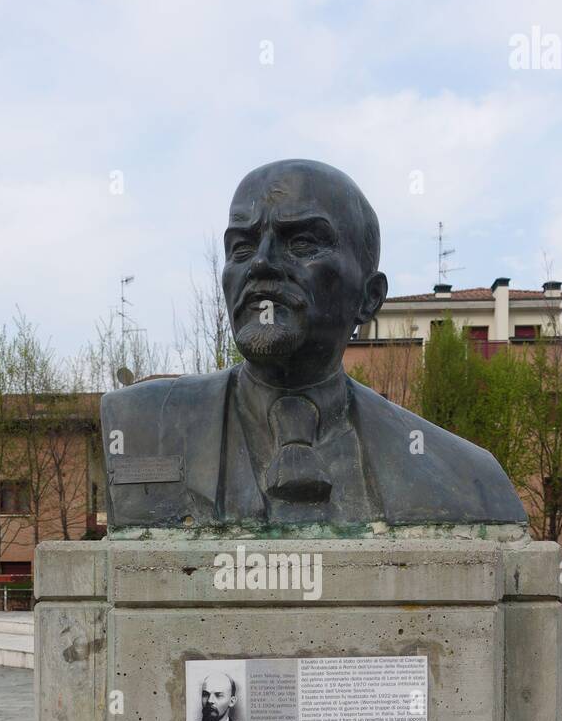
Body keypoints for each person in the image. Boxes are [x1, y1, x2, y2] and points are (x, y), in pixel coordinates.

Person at [101, 158, 526, 529]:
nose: (262, 262)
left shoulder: (466, 479)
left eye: (302, 243)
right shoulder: (141, 424)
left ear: (369, 297)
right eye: (242, 246)